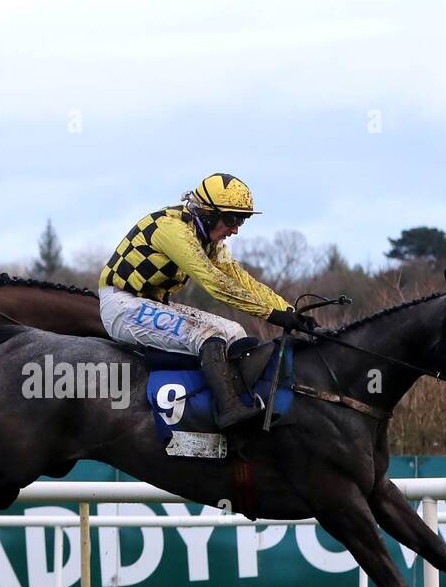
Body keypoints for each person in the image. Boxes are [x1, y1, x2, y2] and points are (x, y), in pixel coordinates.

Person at [99, 173, 301, 428]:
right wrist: (269, 314)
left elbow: (240, 279)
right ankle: (229, 411)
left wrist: (289, 310)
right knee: (206, 336)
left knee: (234, 332)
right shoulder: (174, 230)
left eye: (242, 220)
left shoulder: (207, 238)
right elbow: (214, 283)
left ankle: (238, 400)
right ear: (207, 212)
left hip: (153, 304)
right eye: (231, 219)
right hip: (121, 304)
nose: (236, 228)